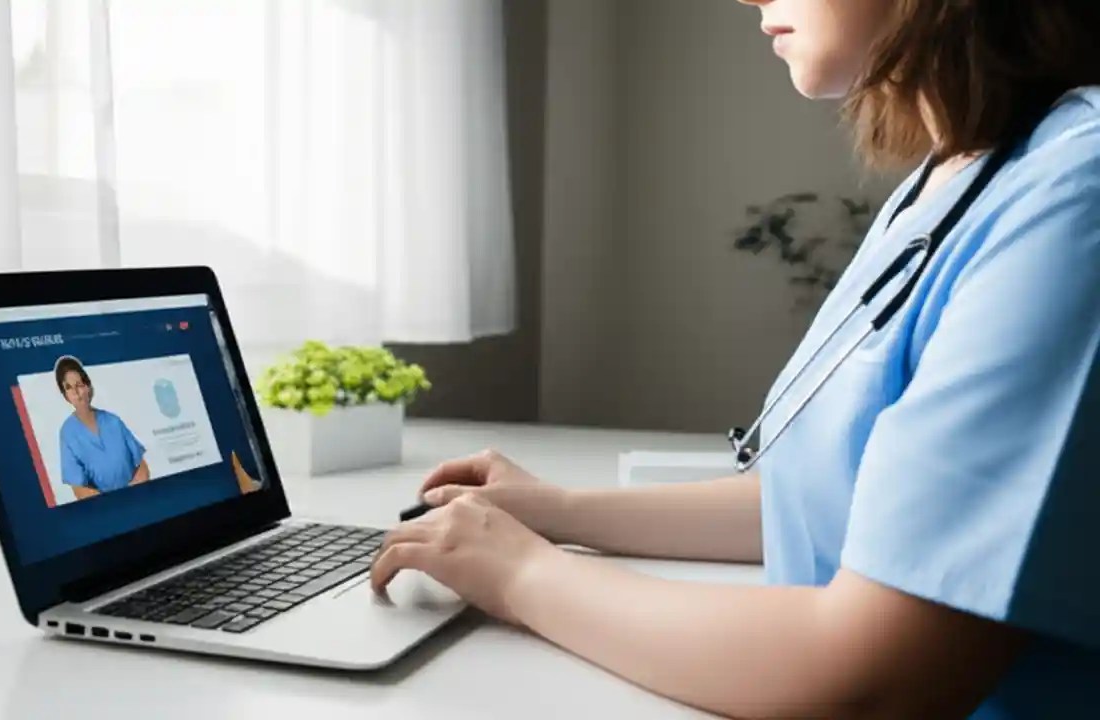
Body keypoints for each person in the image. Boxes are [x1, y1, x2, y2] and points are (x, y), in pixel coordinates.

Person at [368, 1, 1100, 717]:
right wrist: (561, 512)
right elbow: (841, 497)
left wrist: (522, 572)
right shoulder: (952, 178)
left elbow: (878, 677)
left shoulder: (1075, 194)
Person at [54, 356, 150, 500]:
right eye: (68, 387)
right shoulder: (67, 434)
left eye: (79, 385)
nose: (75, 392)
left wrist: (132, 495)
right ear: (65, 396)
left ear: (88, 387)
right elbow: (79, 489)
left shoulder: (113, 421)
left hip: (136, 500)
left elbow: (141, 465)